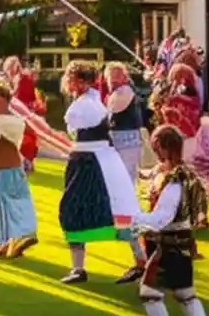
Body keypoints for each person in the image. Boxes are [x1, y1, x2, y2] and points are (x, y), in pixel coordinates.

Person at [132, 126, 209, 316]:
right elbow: (148, 176)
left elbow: (162, 217)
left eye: (157, 145)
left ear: (165, 147)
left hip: (168, 245)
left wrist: (135, 219)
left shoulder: (174, 180)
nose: (154, 150)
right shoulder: (176, 173)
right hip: (177, 244)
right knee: (185, 296)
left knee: (151, 293)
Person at [58, 62, 145, 285]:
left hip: (89, 162)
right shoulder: (91, 102)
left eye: (71, 78)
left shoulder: (85, 106)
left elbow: (79, 130)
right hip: (100, 159)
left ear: (82, 82)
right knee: (120, 206)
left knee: (76, 209)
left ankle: (81, 267)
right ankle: (139, 260)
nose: (67, 83)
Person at [0, 81, 37, 258]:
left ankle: (9, 241)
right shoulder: (6, 119)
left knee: (2, 207)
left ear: (4, 100)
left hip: (2, 170)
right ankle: (14, 241)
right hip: (12, 168)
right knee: (14, 204)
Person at [105, 63, 144, 184]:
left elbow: (113, 109)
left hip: (126, 139)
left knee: (125, 177)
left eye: (115, 76)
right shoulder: (124, 91)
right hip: (124, 138)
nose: (112, 80)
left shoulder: (125, 91)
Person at [4, 56, 43, 171]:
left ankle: (25, 163)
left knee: (24, 138)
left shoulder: (20, 79)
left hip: (22, 113)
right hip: (27, 112)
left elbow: (18, 97)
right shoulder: (24, 77)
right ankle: (27, 163)